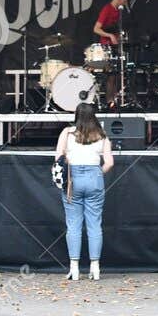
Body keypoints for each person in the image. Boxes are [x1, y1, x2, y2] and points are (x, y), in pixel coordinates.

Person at [55, 103, 114, 280]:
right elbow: (109, 163)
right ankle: (95, 268)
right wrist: (97, 173)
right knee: (94, 224)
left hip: (73, 179)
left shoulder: (67, 133)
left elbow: (58, 158)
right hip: (94, 178)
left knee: (73, 225)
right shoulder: (102, 136)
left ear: (76, 116)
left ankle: (74, 268)